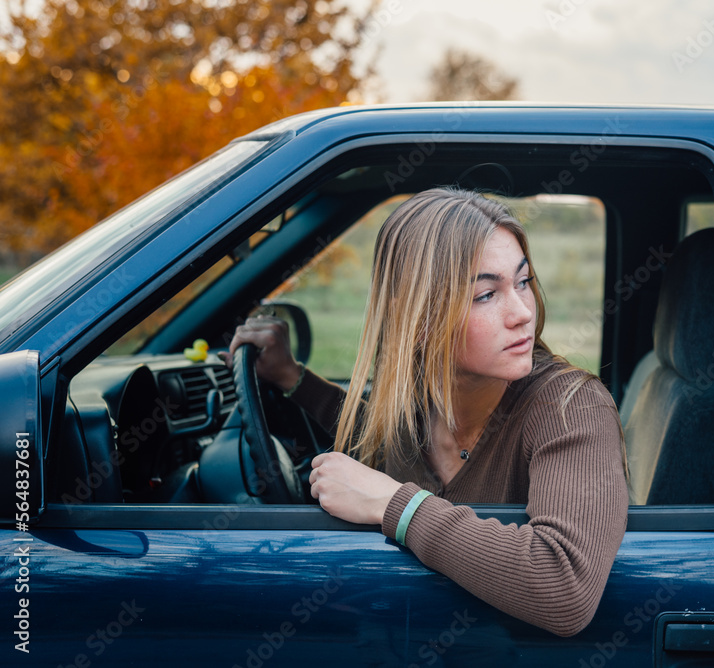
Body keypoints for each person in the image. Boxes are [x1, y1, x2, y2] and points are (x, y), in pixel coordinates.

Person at [227, 187, 628, 637]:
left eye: (523, 281)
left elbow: (563, 586)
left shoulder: (571, 407)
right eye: (485, 295)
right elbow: (379, 437)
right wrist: (291, 378)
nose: (521, 313)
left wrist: (393, 504)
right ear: (416, 316)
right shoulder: (428, 397)